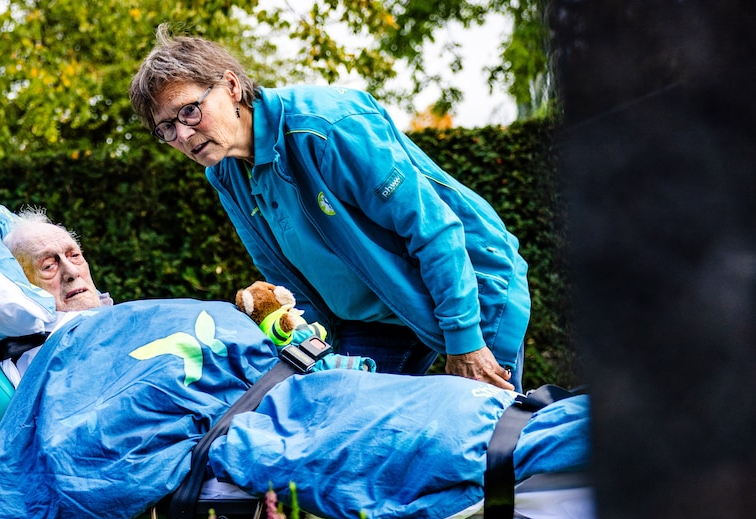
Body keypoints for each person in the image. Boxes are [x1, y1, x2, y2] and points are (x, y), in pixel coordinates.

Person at [128, 26, 530, 390]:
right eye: (165, 128)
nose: (182, 134)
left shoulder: (327, 127)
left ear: (231, 86)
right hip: (371, 320)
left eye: (189, 110)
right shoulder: (225, 175)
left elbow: (433, 229)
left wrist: (464, 343)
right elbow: (281, 272)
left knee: (484, 446)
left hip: (470, 291)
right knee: (349, 426)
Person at [0, 209, 113, 383]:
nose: (72, 272)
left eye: (74, 256)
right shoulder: (47, 356)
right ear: (23, 285)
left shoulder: (119, 319)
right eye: (49, 266)